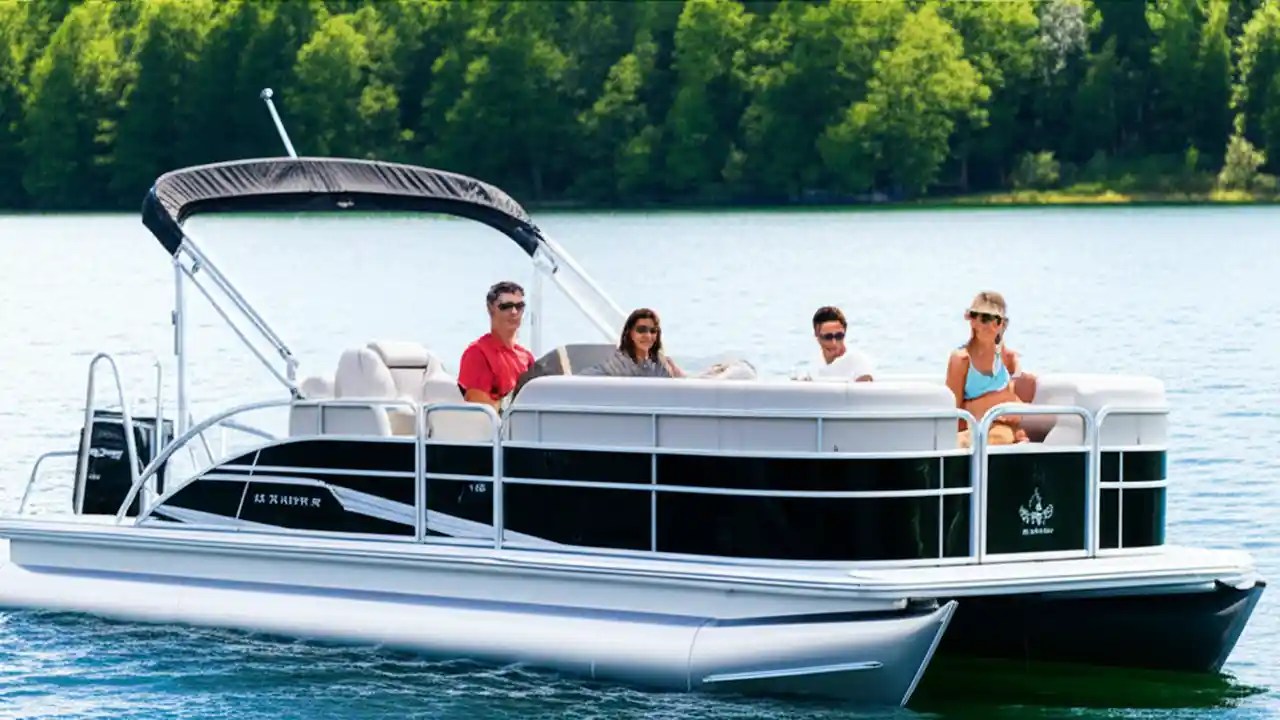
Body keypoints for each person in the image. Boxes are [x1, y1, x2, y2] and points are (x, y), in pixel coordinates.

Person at [945, 290, 1038, 447]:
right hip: (975, 430)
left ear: (1002, 324)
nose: (989, 325)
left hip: (1005, 427)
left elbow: (1015, 390)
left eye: (996, 320)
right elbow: (955, 413)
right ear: (972, 320)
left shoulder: (1005, 356)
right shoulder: (961, 359)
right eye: (982, 317)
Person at [457, 280, 535, 411]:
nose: (514, 312)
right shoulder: (477, 353)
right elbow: (478, 410)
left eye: (519, 306)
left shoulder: (526, 357)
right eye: (506, 306)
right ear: (490, 308)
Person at [580, 308, 685, 378]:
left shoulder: (662, 365)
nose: (648, 336)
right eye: (641, 330)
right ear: (630, 333)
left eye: (653, 331)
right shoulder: (615, 366)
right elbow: (579, 381)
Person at [798, 306, 874, 382]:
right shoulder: (815, 364)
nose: (834, 343)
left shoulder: (858, 362)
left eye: (839, 336)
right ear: (817, 335)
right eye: (828, 337)